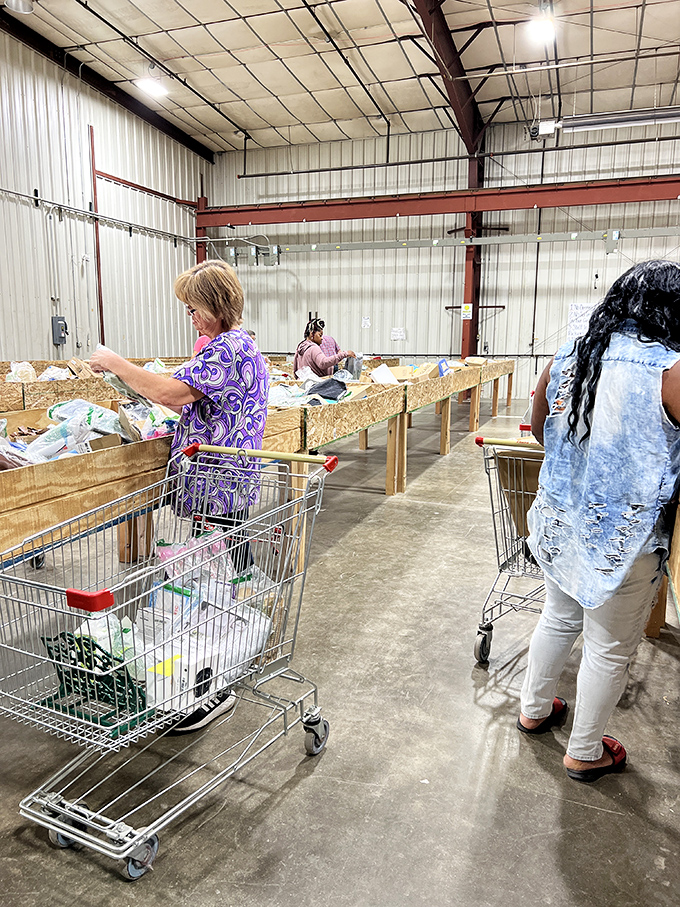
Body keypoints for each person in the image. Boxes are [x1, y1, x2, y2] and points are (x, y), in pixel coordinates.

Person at [517, 259, 680, 782]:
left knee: (558, 617)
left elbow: (540, 427)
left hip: (563, 523)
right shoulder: (671, 372)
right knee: (609, 647)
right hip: (624, 539)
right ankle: (585, 752)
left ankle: (534, 711)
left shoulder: (571, 354)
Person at [90, 259, 269, 733]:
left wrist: (115, 364)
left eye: (194, 308)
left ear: (215, 305)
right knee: (218, 574)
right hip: (224, 480)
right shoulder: (237, 345)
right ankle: (221, 666)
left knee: (211, 584)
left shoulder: (227, 348)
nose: (189, 316)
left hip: (216, 481)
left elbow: (171, 393)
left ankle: (214, 685)